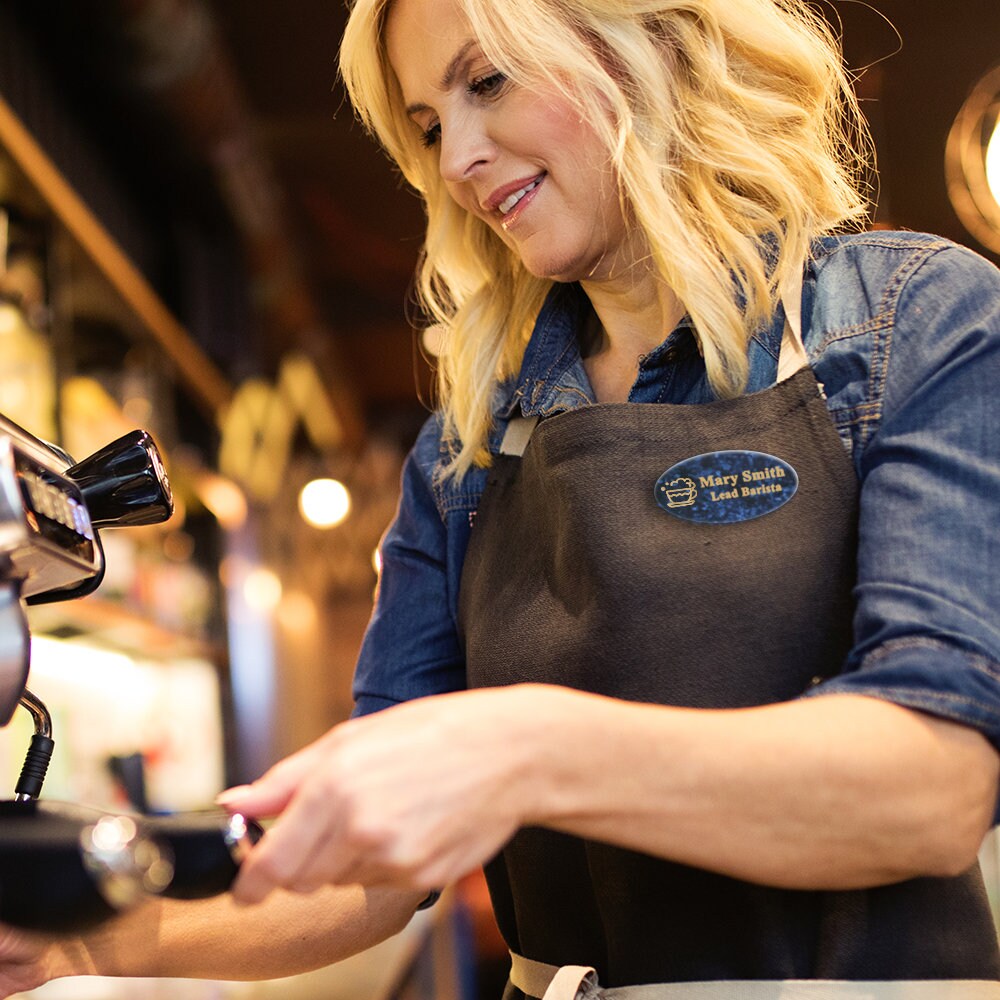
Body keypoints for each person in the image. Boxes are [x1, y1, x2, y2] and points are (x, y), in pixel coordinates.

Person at [4, 0, 1000, 995]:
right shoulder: (467, 444)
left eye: (487, 82)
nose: (454, 162)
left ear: (653, 44)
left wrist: (523, 752)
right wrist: (80, 943)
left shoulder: (909, 321)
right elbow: (378, 867)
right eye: (429, 125)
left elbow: (933, 783)